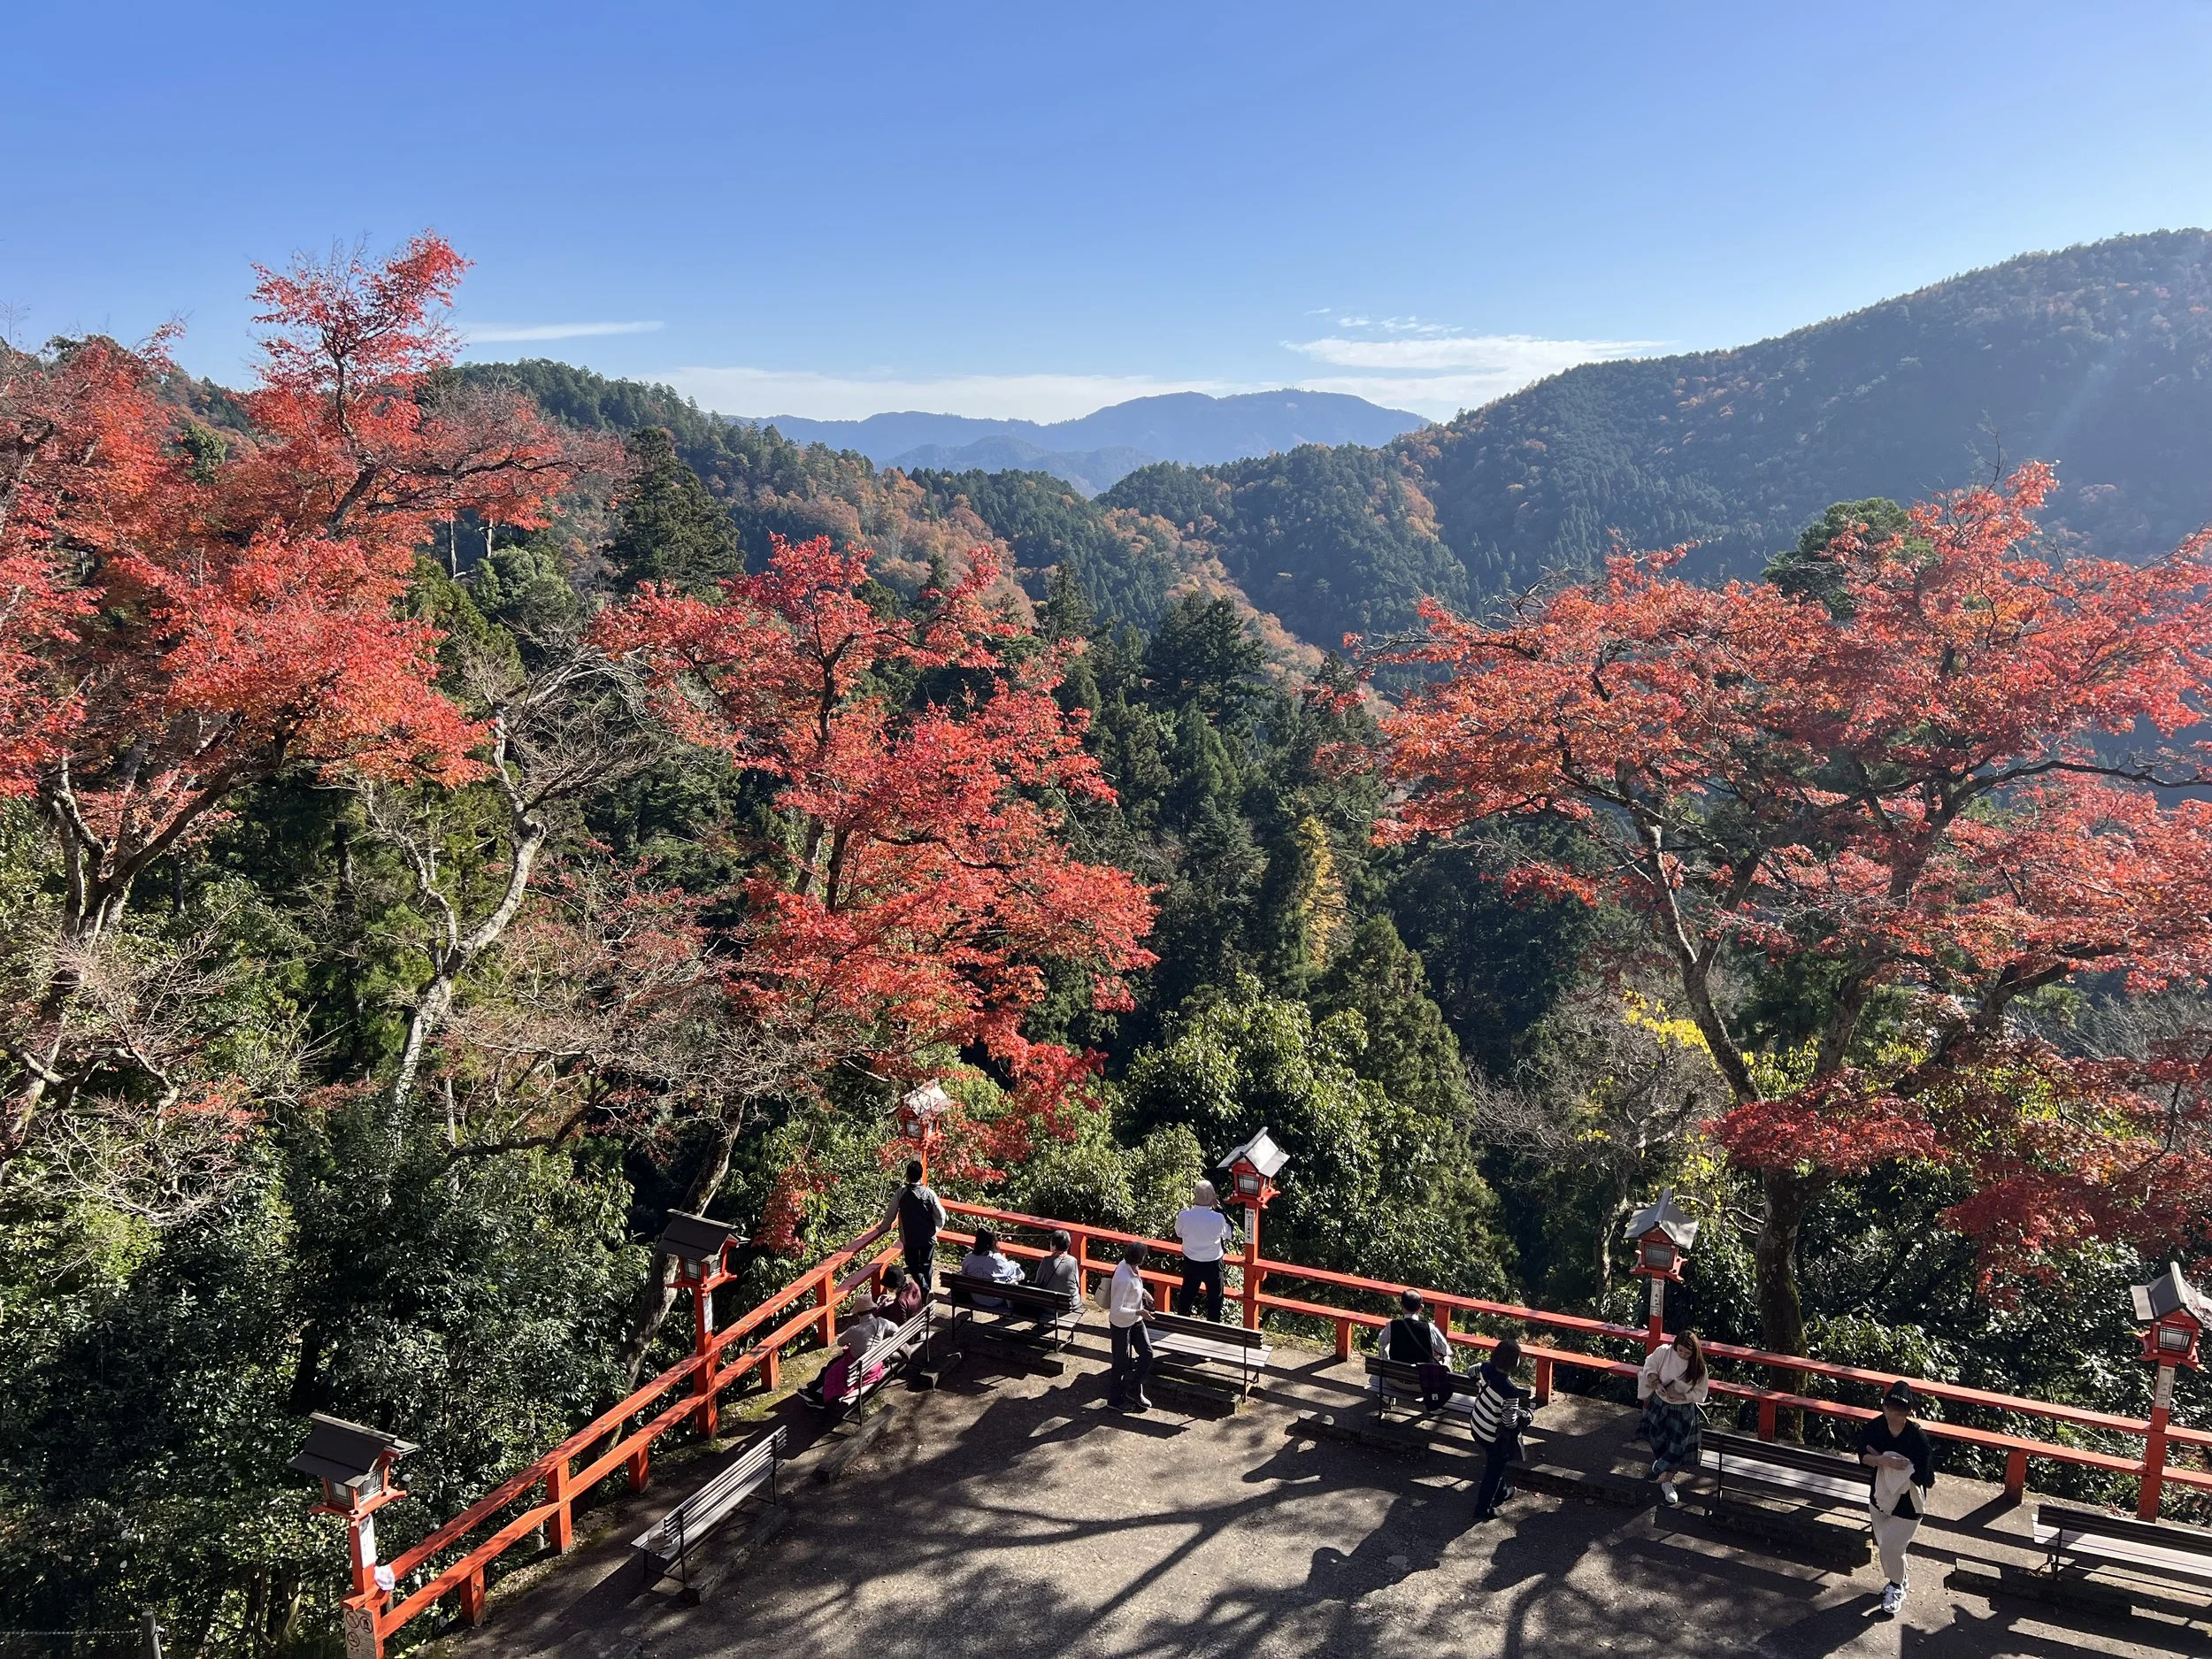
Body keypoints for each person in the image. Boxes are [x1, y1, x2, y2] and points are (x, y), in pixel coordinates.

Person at [1858, 1379, 1937, 1616]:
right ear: (1884, 1407)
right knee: (1886, 1546)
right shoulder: (1875, 1428)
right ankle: (1900, 1576)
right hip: (1880, 1496)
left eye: (1901, 1410)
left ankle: (1896, 1586)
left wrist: (1902, 1469)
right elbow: (1862, 1454)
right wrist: (1882, 1461)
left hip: (1908, 1503)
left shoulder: (1917, 1438)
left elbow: (1927, 1477)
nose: (1895, 1414)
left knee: (1890, 1549)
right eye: (1891, 1408)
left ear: (1909, 1412)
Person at [1636, 1329, 1709, 1509]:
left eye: (1687, 1352)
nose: (1682, 1354)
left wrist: (1683, 1397)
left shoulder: (1699, 1368)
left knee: (1678, 1446)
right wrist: (1656, 1383)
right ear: (1675, 1345)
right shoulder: (1664, 1352)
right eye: (1680, 1350)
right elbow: (1650, 1365)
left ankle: (1668, 1481)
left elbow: (1701, 1393)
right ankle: (1662, 1462)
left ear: (1694, 1352)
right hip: (1660, 1403)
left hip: (1682, 1409)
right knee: (1656, 1436)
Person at [1469, 1335, 1533, 1521]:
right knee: (1493, 1469)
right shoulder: (1510, 1391)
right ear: (1515, 1363)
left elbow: (1470, 1371)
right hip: (1491, 1435)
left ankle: (1503, 1491)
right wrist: (1523, 1416)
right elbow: (1509, 1423)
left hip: (1476, 1424)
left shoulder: (1485, 1368)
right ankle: (1483, 1509)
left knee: (1495, 1464)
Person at [810, 1290, 897, 1407]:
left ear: (858, 1313)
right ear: (872, 1310)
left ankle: (820, 1400)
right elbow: (895, 1329)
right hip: (875, 1366)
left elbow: (840, 1342)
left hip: (858, 1371)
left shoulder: (855, 1330)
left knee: (829, 1373)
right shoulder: (881, 1323)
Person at [1172, 1181, 1236, 1320]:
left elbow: (1179, 1233)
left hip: (1191, 1260)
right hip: (1213, 1262)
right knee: (1215, 1298)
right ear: (1212, 1197)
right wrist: (1220, 1210)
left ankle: (1182, 1321)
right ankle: (1213, 1326)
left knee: (1187, 1294)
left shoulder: (1184, 1216)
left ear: (1194, 1196)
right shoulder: (1218, 1218)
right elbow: (1229, 1234)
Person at [882, 1160, 948, 1292]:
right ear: (921, 1175)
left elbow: (891, 1214)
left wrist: (884, 1227)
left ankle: (924, 1289)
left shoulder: (901, 1193)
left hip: (909, 1238)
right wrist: (935, 1229)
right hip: (928, 1237)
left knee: (912, 1265)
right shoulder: (929, 1194)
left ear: (907, 1175)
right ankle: (927, 1294)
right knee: (927, 1266)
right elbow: (941, 1216)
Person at [1105, 1238, 1156, 1410]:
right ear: (1140, 1259)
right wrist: (1139, 1312)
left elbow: (1135, 1287)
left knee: (1147, 1354)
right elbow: (1116, 1310)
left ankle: (1134, 1388)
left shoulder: (1129, 1267)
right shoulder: (1124, 1279)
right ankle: (1114, 1400)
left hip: (1136, 1321)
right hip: (1121, 1324)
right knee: (1121, 1362)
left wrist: (1144, 1293)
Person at [958, 1226, 1025, 1310]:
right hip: (996, 1300)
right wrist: (1015, 1265)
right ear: (993, 1241)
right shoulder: (997, 1260)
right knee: (1016, 1276)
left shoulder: (969, 1258)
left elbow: (964, 1272)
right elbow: (1013, 1272)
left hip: (976, 1298)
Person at [1031, 1228, 1083, 1317]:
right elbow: (1076, 1284)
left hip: (1050, 1306)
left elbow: (1038, 1283)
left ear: (1054, 1245)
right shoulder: (1073, 1261)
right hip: (1070, 1305)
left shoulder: (1046, 1261)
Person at [879, 1260, 926, 1325]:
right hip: (918, 1322)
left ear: (892, 1286)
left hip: (907, 1331)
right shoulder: (914, 1285)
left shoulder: (900, 1302)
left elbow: (900, 1323)